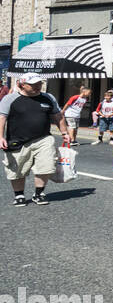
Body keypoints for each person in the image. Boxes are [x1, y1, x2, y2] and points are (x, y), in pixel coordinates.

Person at [0, 73, 73, 206]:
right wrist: (0, 137)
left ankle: (39, 194)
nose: (38, 86)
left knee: (46, 166)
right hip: (17, 140)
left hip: (43, 138)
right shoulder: (10, 99)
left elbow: (58, 116)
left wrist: (64, 132)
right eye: (33, 84)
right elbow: (2, 118)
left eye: (39, 83)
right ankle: (19, 195)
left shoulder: (48, 98)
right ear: (21, 85)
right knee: (17, 169)